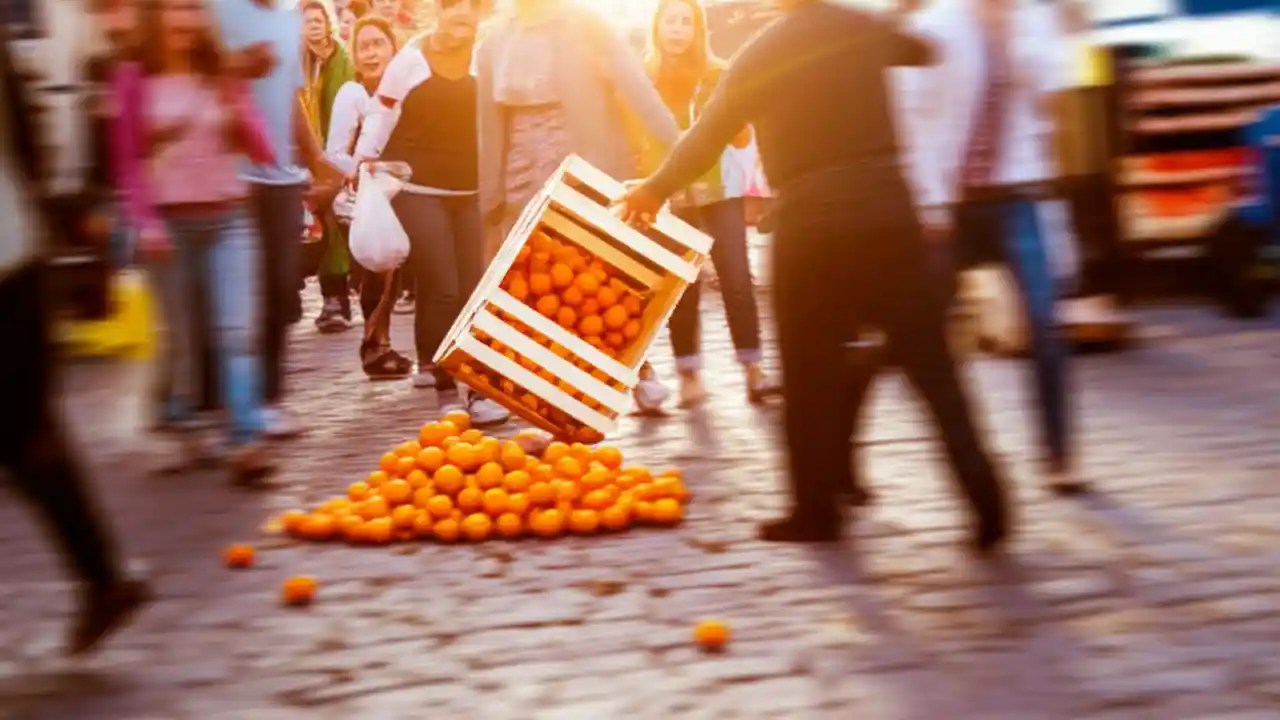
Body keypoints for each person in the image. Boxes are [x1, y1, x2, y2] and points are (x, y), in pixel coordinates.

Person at [617, 0, 1011, 551]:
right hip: (886, 209)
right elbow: (924, 50)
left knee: (808, 373)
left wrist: (653, 190)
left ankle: (815, 512)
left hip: (810, 221)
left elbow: (706, 135)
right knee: (932, 364)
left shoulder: (761, 54)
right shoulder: (859, 27)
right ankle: (988, 500)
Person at [0, 23, 152, 658]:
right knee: (30, 437)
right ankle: (104, 579)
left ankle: (104, 579)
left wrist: (67, 215)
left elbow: (31, 138)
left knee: (30, 436)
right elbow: (32, 138)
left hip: (12, 263)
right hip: (16, 258)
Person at [899, 0, 1087, 495]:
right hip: (951, 201)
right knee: (920, 332)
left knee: (1045, 321)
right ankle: (855, 458)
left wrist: (1015, 43)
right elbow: (910, 120)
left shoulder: (1034, 20)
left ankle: (1058, 456)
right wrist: (928, 204)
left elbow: (1052, 96)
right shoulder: (933, 26)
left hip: (1016, 193)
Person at [115, 0, 279, 481]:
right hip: (169, 227)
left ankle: (247, 440)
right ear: (155, 17)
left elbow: (261, 150)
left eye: (192, 8)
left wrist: (238, 100)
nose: (184, 20)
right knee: (181, 342)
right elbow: (127, 163)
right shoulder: (132, 79)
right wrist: (144, 222)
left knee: (237, 331)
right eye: (173, 9)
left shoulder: (220, 72)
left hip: (229, 218)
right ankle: (182, 422)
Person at [353, 0, 511, 426]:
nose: (464, 13)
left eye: (473, 8)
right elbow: (380, 114)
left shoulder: (488, 58)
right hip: (417, 187)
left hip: (472, 190)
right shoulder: (410, 61)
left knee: (474, 289)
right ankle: (446, 387)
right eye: (455, 5)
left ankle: (479, 387)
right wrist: (363, 161)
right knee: (442, 287)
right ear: (440, 10)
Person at [636, 0, 781, 409]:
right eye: (671, 21)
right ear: (657, 27)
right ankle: (689, 375)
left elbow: (741, 133)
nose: (678, 29)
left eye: (687, 21)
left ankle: (754, 369)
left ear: (698, 29)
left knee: (737, 277)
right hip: (668, 192)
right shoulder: (643, 76)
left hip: (722, 189)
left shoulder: (719, 72)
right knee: (682, 285)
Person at [212, 0, 343, 440]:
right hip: (231, 177)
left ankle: (268, 397)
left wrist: (317, 158)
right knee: (238, 293)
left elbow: (291, 97)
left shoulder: (288, 19)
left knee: (283, 288)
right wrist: (237, 64)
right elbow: (193, 74)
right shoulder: (217, 9)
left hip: (281, 178)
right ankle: (237, 402)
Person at [326, 15, 410, 379]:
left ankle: (383, 346)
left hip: (403, 193)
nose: (372, 53)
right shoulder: (353, 94)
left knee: (396, 275)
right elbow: (335, 153)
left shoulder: (407, 93)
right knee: (379, 272)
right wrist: (366, 172)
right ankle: (375, 348)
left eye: (379, 44)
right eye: (364, 47)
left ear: (394, 48)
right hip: (366, 198)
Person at [302, 0, 358, 333]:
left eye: (318, 19)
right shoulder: (297, 63)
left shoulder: (342, 60)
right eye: (307, 21)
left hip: (339, 152)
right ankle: (330, 299)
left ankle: (340, 299)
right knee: (318, 226)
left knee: (337, 225)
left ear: (327, 23)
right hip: (307, 155)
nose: (313, 25)